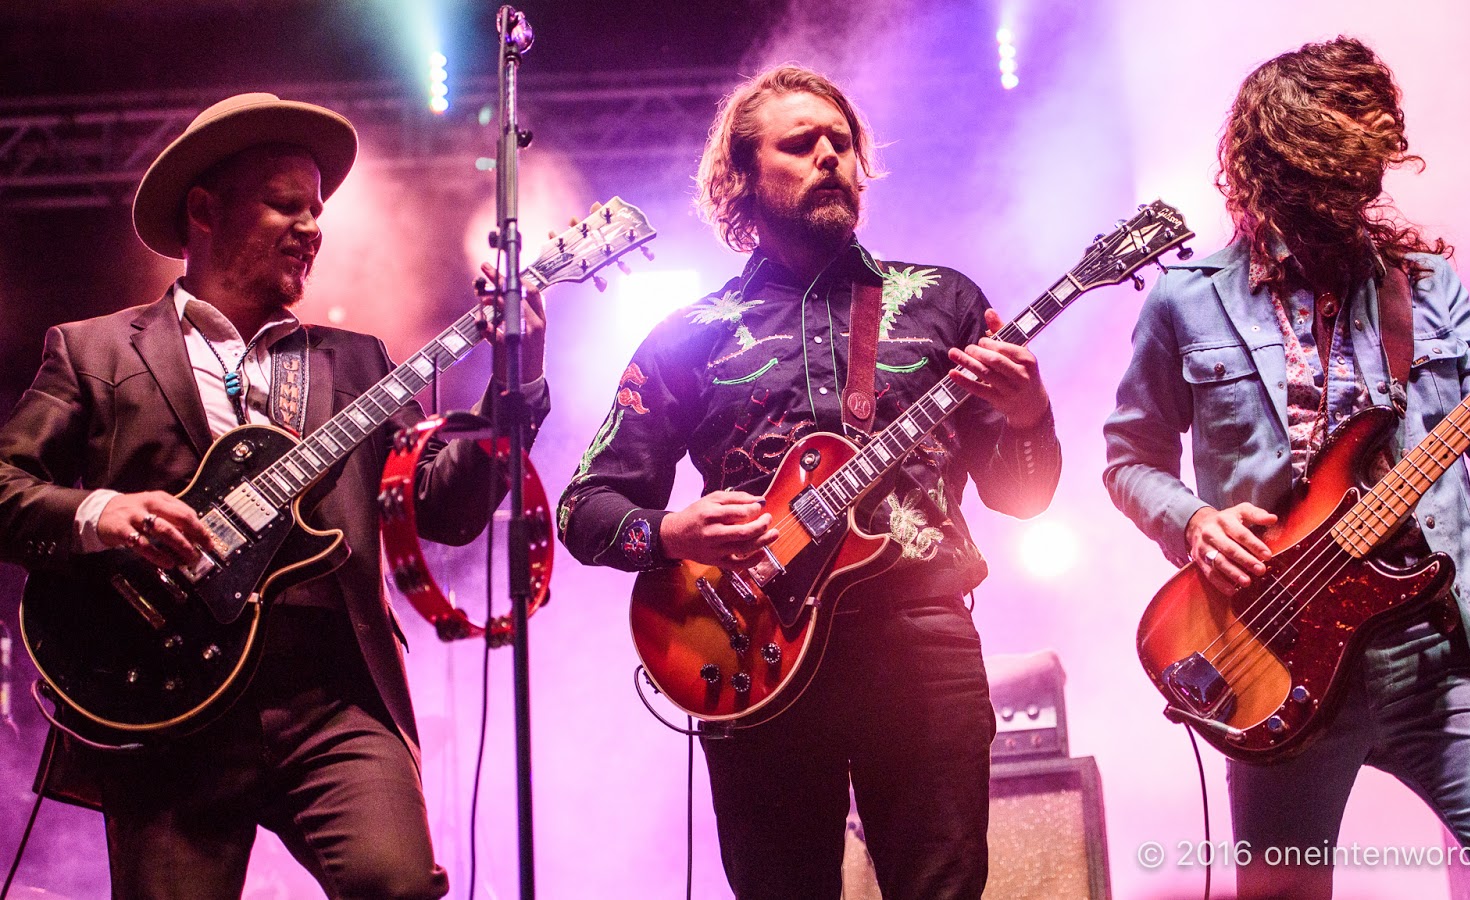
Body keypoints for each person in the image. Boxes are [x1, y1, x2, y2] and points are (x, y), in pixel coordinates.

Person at [0, 93, 548, 898]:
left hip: (333, 697)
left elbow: (449, 511)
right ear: (204, 210)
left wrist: (515, 377)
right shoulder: (95, 350)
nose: (313, 228)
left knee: (398, 886)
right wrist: (101, 513)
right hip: (164, 696)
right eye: (285, 204)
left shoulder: (360, 363)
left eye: (318, 210)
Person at [1103, 37, 1470, 899]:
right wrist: (1194, 522)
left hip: (1439, 662)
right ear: (1280, 161)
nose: (1363, 186)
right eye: (1340, 162)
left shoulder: (1425, 284)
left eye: (1370, 158)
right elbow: (1128, 458)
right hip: (1275, 658)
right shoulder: (1186, 298)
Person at [558, 65, 1060, 898]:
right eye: (800, 143)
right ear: (742, 180)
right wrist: (675, 532)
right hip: (754, 649)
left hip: (919, 636)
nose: (831, 155)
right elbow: (585, 507)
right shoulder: (692, 334)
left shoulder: (943, 301)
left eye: (843, 142)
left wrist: (1028, 414)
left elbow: (1023, 496)